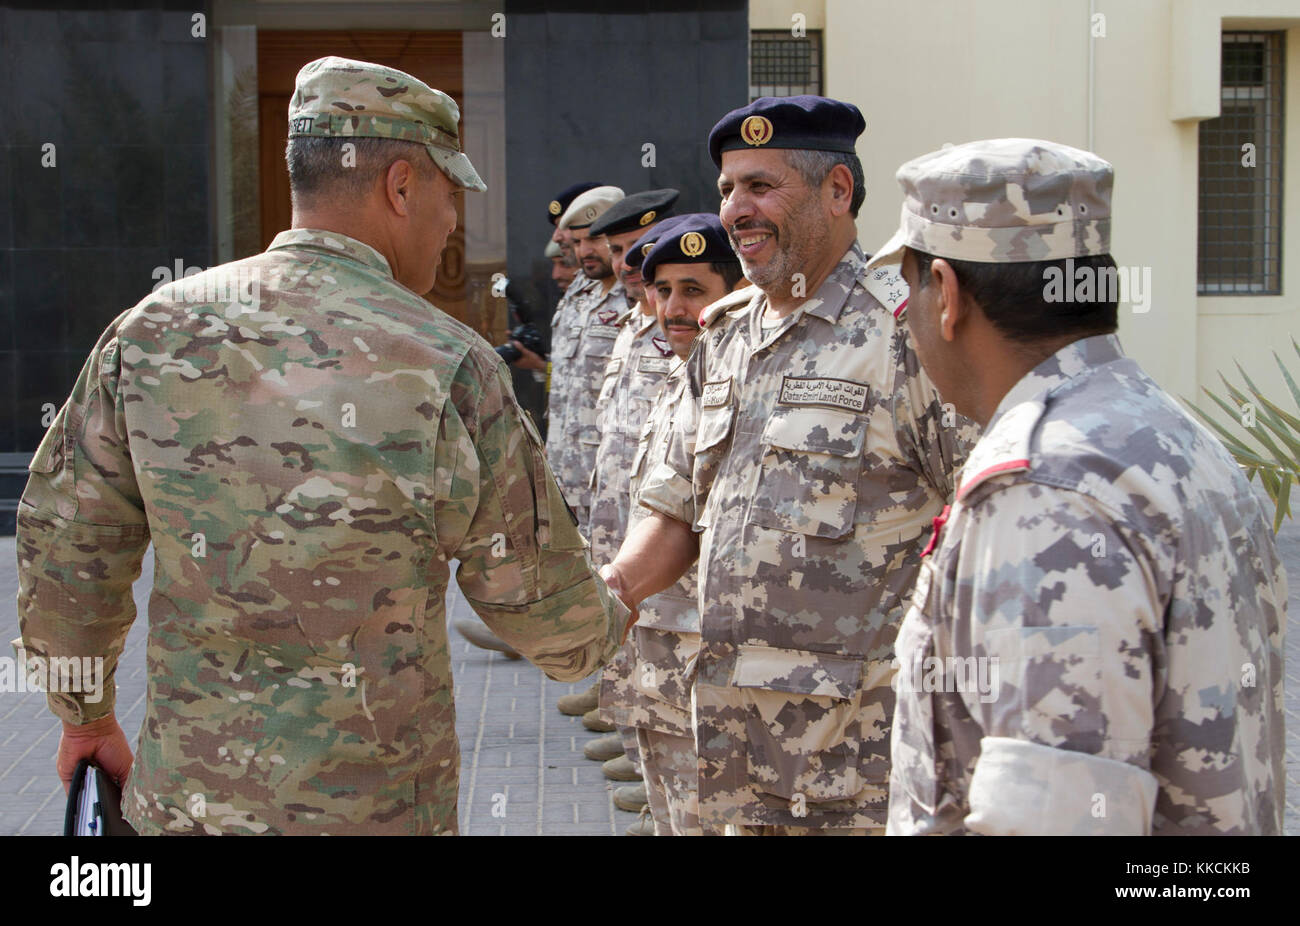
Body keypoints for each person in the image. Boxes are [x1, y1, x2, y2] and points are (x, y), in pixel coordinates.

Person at [15, 56, 628, 836]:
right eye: (449, 194)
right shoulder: (449, 363)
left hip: (190, 803)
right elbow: (546, 615)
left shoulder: (149, 331)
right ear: (401, 185)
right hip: (379, 809)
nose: (453, 223)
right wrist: (620, 608)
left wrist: (83, 718)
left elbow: (65, 551)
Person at [879, 138, 1287, 836]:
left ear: (946, 294)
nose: (901, 317)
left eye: (906, 286)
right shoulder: (1168, 434)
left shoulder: (1043, 491)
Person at [602, 96, 977, 835]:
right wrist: (606, 595)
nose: (737, 209)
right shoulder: (727, 338)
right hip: (730, 755)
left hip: (861, 767)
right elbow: (676, 507)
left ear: (838, 191)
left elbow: (985, 534)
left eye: (761, 186)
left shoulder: (912, 336)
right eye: (728, 190)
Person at [612, 214, 750, 835]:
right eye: (661, 290)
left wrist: (601, 595)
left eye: (693, 290)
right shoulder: (681, 377)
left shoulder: (747, 379)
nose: (671, 307)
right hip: (657, 649)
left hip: (713, 664)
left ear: (734, 291)